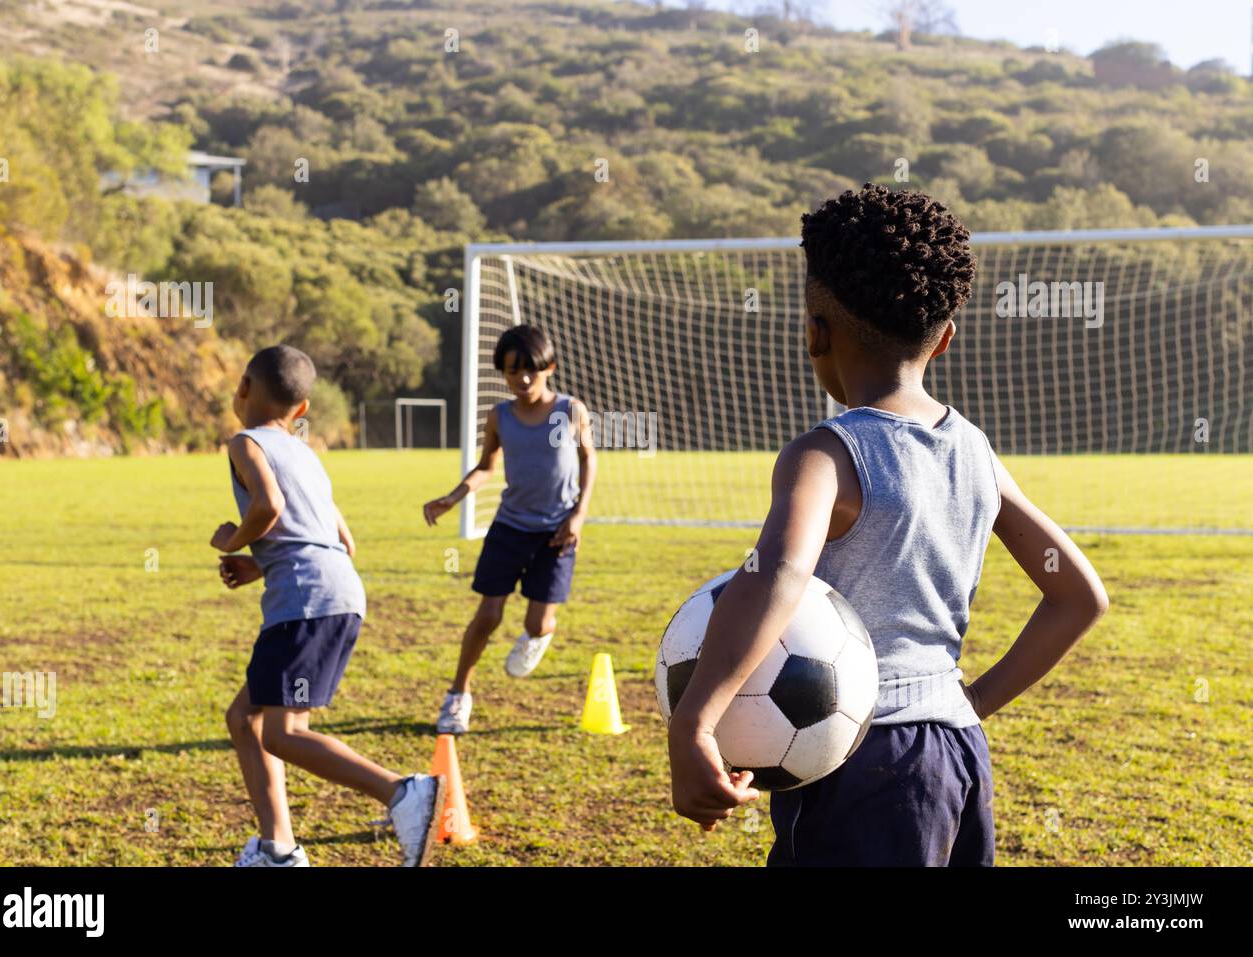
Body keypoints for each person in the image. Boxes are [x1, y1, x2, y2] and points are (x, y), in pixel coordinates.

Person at [667, 184, 1109, 866]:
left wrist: (695, 718)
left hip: (859, 764)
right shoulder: (975, 452)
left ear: (815, 331)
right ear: (944, 340)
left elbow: (778, 573)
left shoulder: (825, 454)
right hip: (956, 753)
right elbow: (1080, 595)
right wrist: (969, 700)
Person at [216, 344, 445, 867]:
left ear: (244, 387)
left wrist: (233, 541)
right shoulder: (308, 455)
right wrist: (262, 564)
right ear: (301, 411)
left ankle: (402, 793)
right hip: (336, 592)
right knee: (244, 718)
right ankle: (277, 849)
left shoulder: (244, 443)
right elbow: (341, 539)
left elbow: (270, 507)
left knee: (284, 731)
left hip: (305, 603)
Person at [423, 325, 597, 734]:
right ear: (501, 372)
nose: (521, 380)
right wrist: (454, 496)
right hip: (509, 528)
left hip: (557, 532)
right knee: (488, 615)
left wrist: (578, 515)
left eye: (530, 372)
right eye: (511, 372)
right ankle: (457, 696)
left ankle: (538, 634)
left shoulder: (570, 410)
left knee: (538, 625)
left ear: (549, 368)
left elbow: (589, 460)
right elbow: (487, 466)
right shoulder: (500, 416)